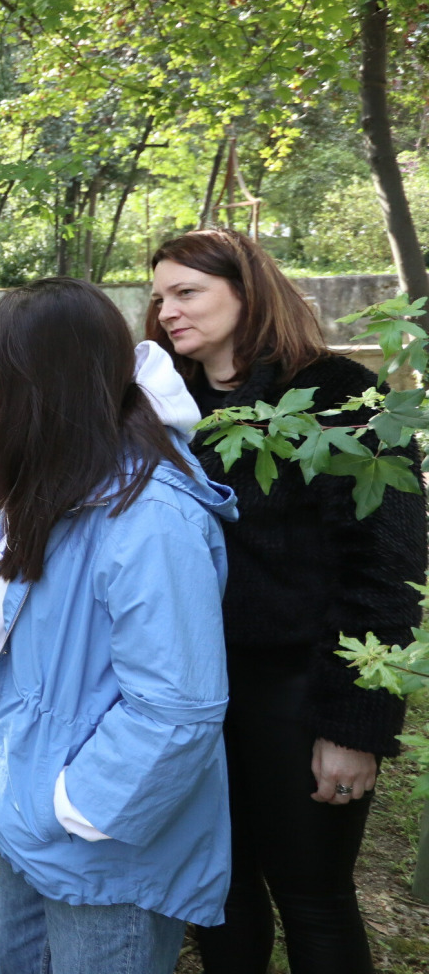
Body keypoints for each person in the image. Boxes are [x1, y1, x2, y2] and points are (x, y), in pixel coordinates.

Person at [0, 278, 236, 974]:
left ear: (47, 389)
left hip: (99, 843)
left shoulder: (150, 518)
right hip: (30, 821)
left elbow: (177, 707)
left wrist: (74, 808)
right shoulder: (50, 483)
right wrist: (26, 801)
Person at [149, 228, 427, 973]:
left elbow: (384, 573)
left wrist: (356, 725)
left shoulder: (341, 396)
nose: (167, 311)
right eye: (159, 297)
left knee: (312, 895)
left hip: (298, 689)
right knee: (218, 890)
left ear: (247, 291)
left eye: (187, 292)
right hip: (191, 692)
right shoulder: (162, 411)